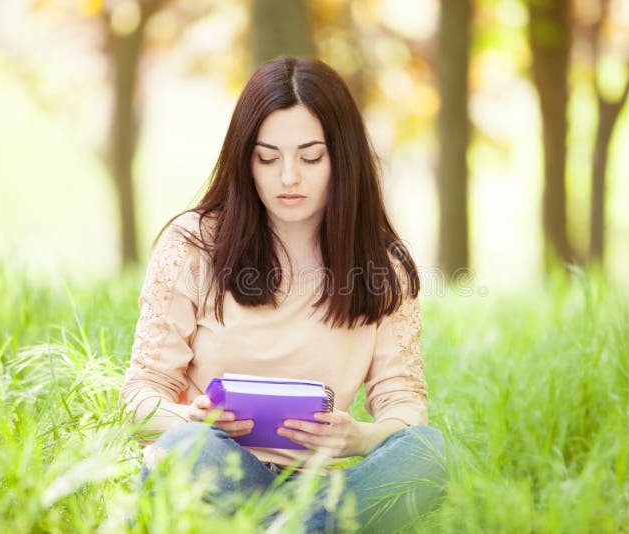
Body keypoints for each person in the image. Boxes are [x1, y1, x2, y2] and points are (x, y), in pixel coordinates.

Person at [119, 55, 449, 533]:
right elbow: (139, 397)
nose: (288, 177)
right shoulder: (192, 246)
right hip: (219, 470)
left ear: (342, 158)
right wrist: (191, 419)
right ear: (245, 159)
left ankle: (285, 526)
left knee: (427, 452)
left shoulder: (383, 266)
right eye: (267, 158)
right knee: (184, 449)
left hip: (321, 487)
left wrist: (359, 439)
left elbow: (405, 405)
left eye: (310, 157)